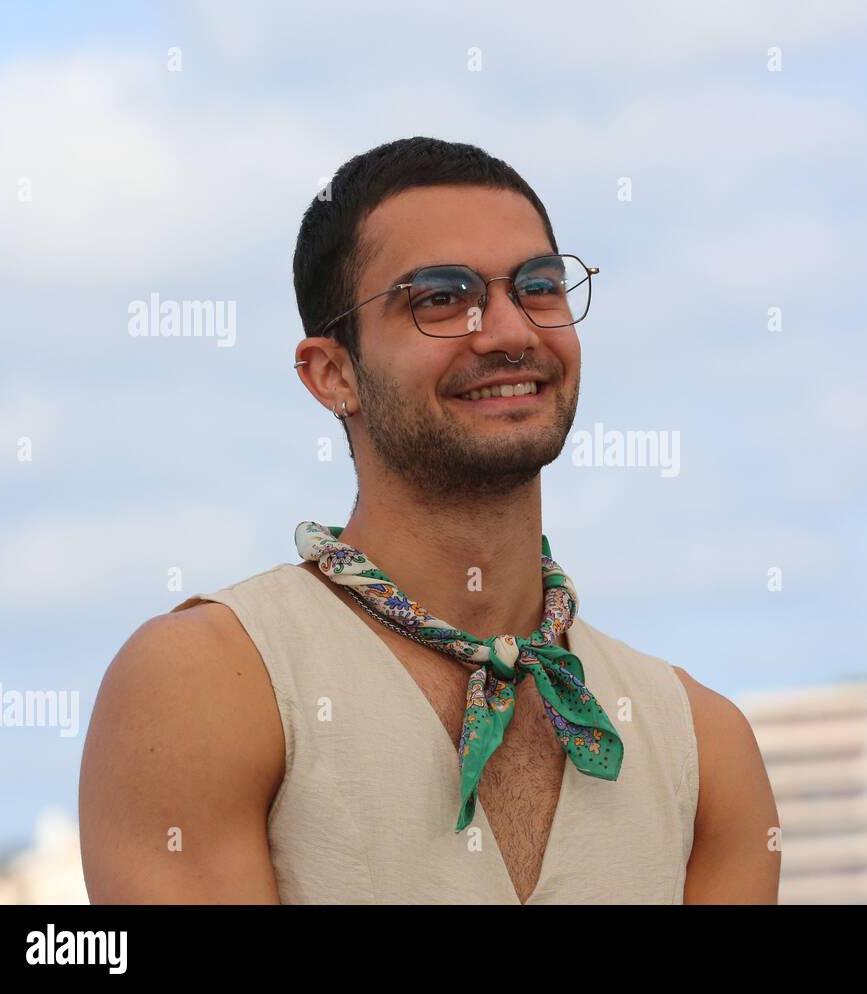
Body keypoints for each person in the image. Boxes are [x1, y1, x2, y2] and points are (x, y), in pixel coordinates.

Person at [79, 137, 781, 904]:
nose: (511, 332)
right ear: (333, 373)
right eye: (441, 298)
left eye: (539, 286)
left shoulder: (702, 743)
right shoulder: (213, 681)